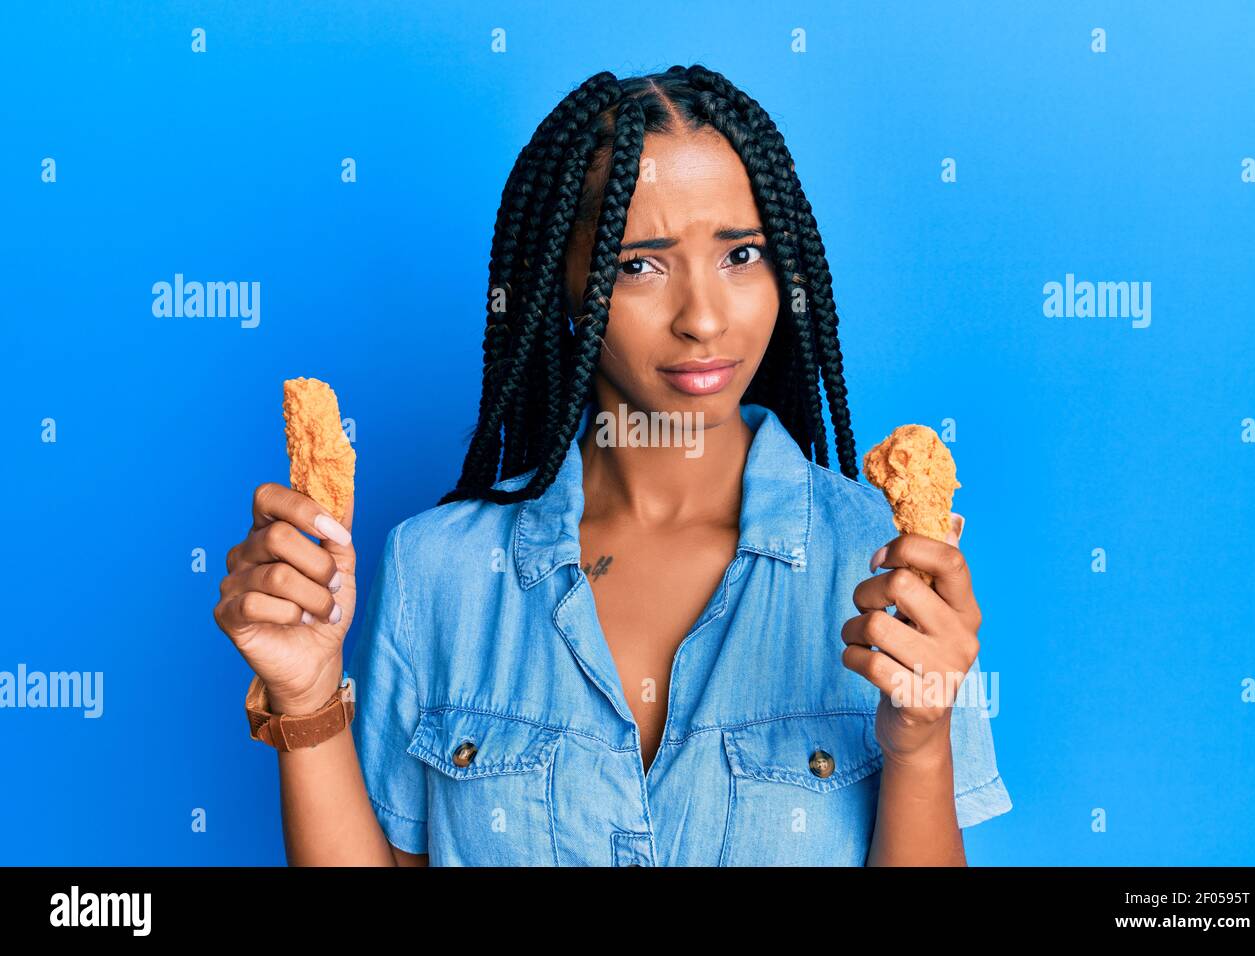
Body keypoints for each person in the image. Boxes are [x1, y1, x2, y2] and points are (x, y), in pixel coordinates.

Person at [214, 64, 1011, 866]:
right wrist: (306, 697)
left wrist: (921, 741)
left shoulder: (886, 571)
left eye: (741, 255)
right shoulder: (439, 570)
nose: (702, 317)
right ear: (563, 282)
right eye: (639, 264)